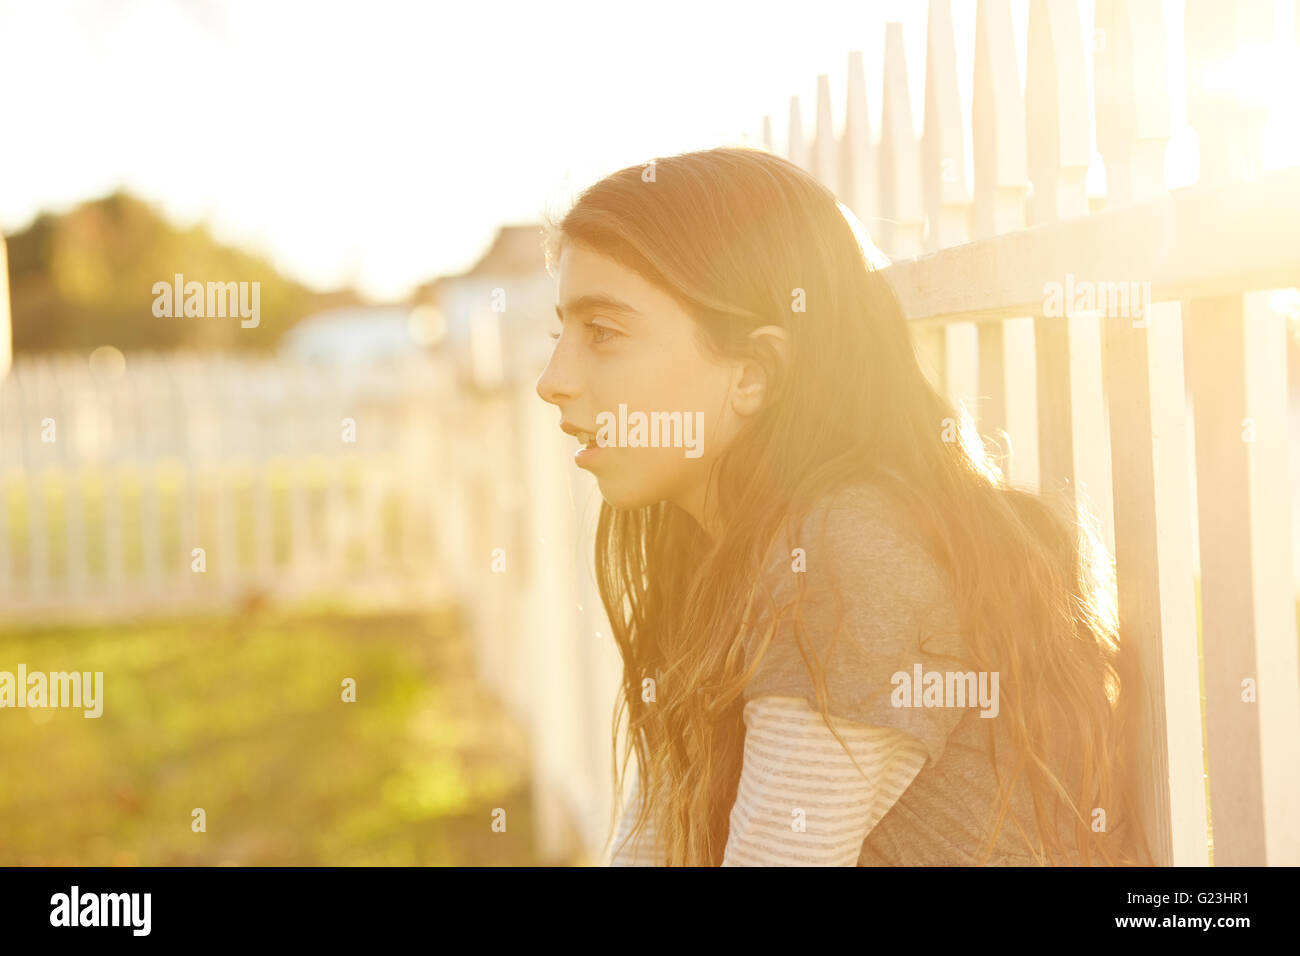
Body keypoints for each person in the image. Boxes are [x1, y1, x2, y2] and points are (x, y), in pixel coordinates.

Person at [535, 146, 1153, 867]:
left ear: (754, 372)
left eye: (602, 333)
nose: (553, 380)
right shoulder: (721, 551)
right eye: (561, 334)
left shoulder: (851, 552)